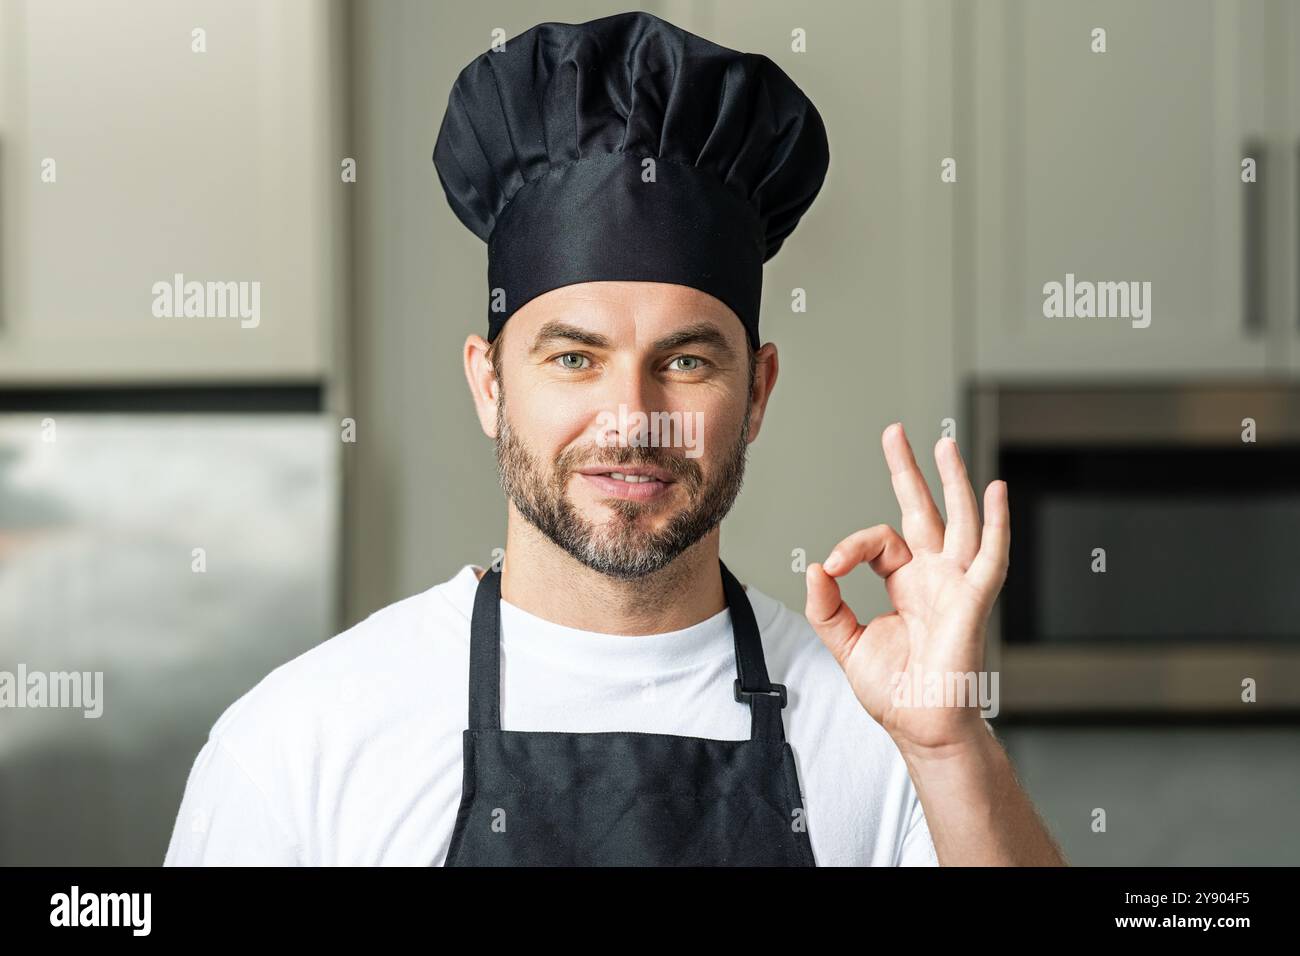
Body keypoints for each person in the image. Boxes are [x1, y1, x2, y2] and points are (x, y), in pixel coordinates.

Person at [164, 10, 1064, 866]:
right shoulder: (301, 741)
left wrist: (949, 747)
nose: (631, 418)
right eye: (573, 359)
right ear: (489, 384)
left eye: (685, 362)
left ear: (757, 393)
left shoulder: (885, 733)